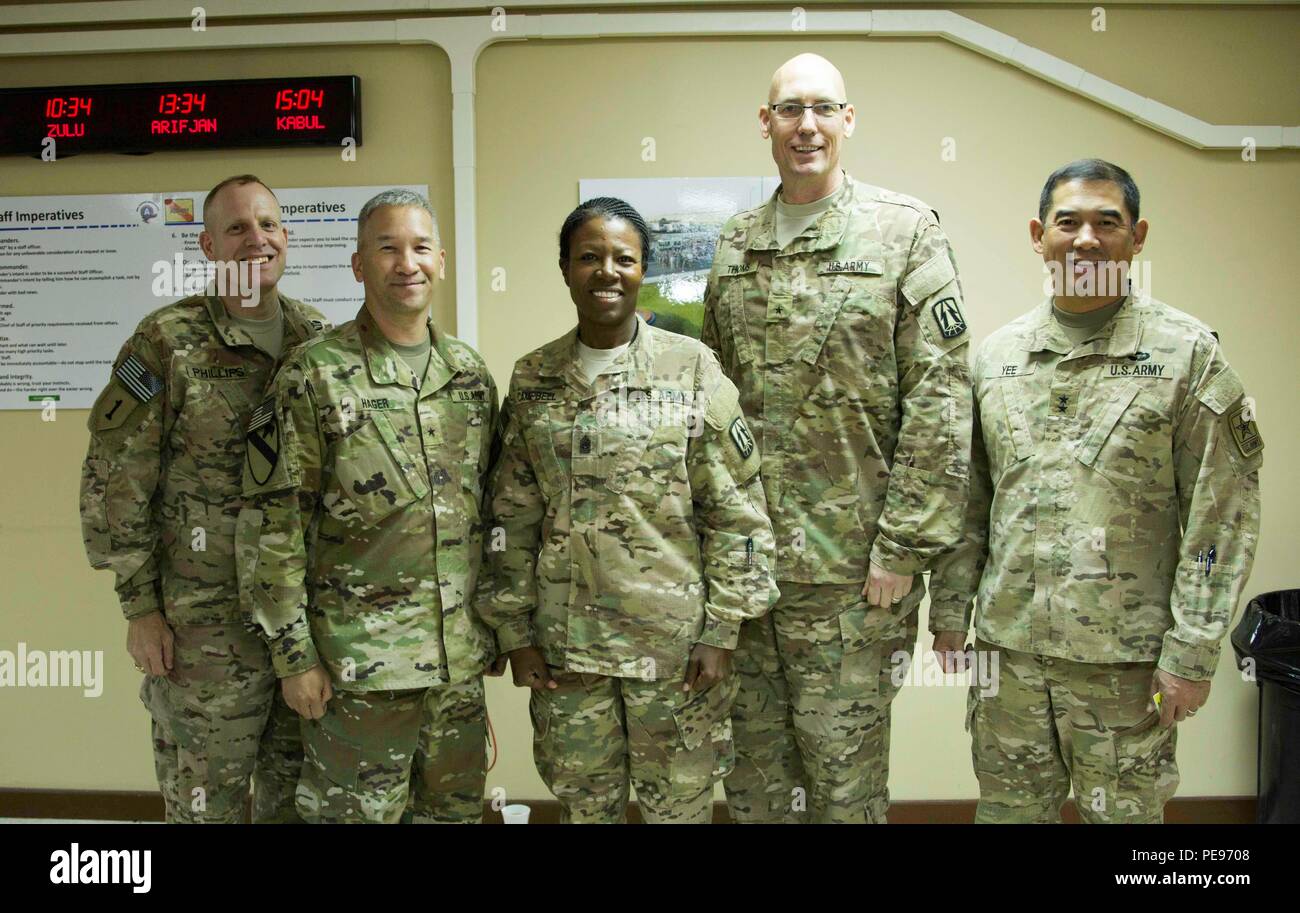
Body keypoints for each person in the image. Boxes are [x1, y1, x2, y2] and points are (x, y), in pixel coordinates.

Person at [928, 159, 1264, 823]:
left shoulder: (1185, 353)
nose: (1086, 238)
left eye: (1106, 222)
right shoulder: (997, 358)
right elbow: (970, 501)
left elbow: (1222, 514)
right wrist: (949, 611)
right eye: (1068, 221)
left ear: (1137, 238)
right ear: (1038, 234)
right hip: (1011, 656)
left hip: (1126, 666)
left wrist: (1192, 652)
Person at [700, 53, 973, 823]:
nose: (806, 125)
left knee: (844, 791)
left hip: (854, 575)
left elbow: (941, 397)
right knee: (754, 786)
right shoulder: (734, 244)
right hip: (748, 576)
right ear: (766, 123)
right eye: (789, 109)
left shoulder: (904, 232)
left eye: (823, 108)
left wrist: (903, 543)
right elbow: (716, 406)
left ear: (848, 121)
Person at [479, 197, 777, 824]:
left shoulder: (689, 367)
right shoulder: (534, 377)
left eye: (624, 258)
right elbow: (511, 517)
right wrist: (514, 632)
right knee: (587, 810)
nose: (606, 272)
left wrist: (722, 630)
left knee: (679, 813)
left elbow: (737, 511)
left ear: (643, 270)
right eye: (589, 257)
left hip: (672, 653)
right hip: (567, 654)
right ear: (565, 269)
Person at [236, 189, 501, 823]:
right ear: (359, 265)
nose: (405, 263)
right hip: (357, 671)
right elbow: (273, 528)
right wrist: (294, 658)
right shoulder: (312, 375)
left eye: (418, 248)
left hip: (455, 671)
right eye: (386, 248)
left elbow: (493, 515)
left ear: (439, 260)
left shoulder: (468, 375)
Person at [80, 174, 328, 823]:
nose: (257, 239)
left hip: (301, 633)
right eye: (238, 227)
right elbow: (114, 476)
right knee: (204, 809)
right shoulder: (166, 340)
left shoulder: (320, 342)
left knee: (298, 805)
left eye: (268, 224)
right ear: (209, 244)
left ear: (286, 237)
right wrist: (139, 606)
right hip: (202, 636)